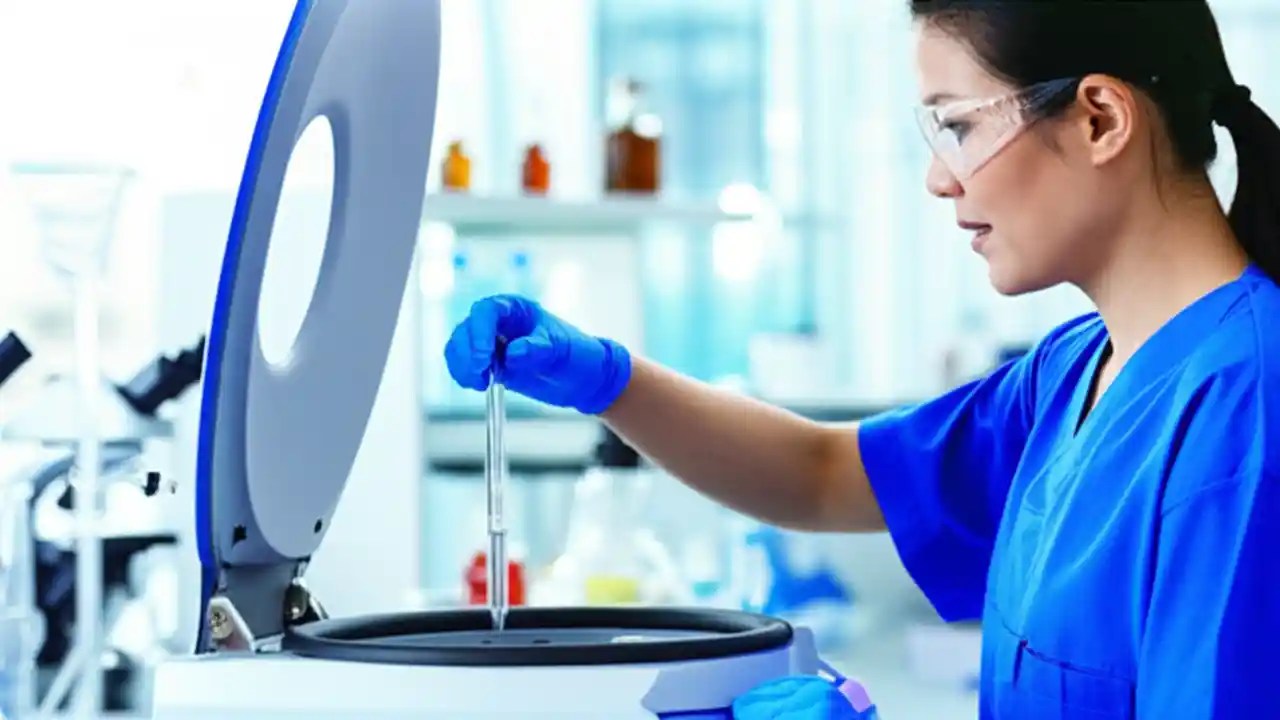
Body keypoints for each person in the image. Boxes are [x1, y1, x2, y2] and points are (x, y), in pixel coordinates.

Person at [445, 1, 1280, 717]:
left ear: (1100, 118)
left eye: (958, 125)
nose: (938, 179)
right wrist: (608, 380)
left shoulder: (1245, 408)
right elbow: (825, 472)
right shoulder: (1075, 375)